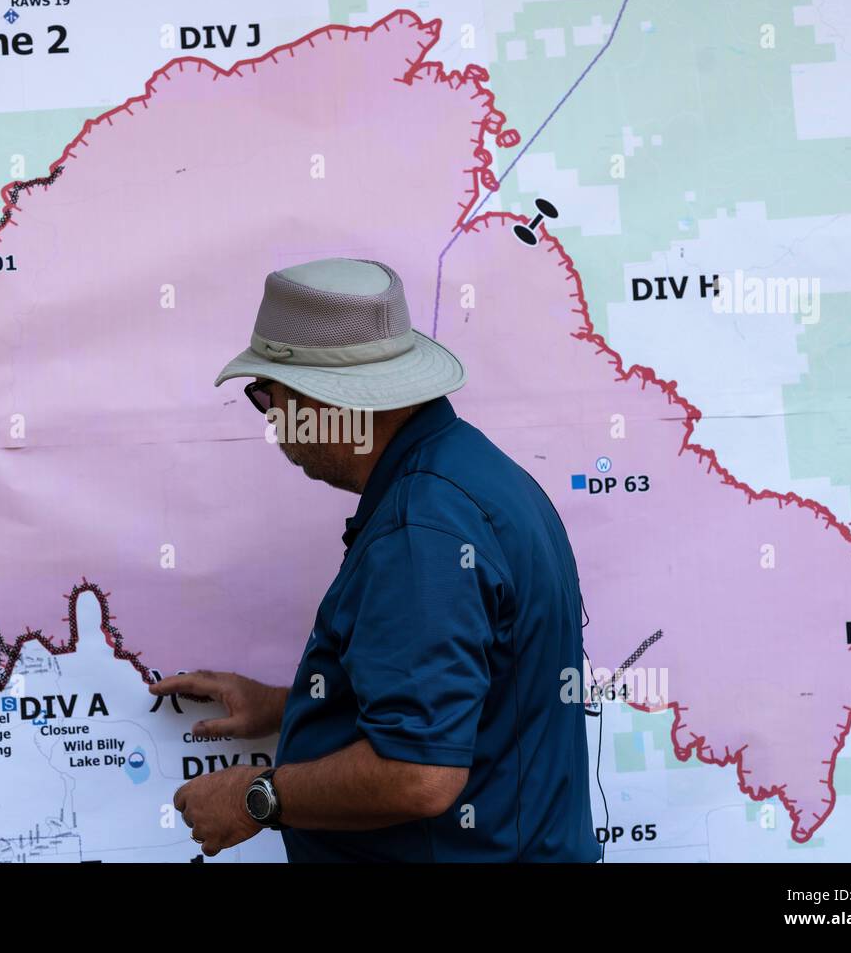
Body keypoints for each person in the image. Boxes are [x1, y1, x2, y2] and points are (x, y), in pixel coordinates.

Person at [150, 257, 599, 862]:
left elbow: (419, 775)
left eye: (268, 396)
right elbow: (467, 701)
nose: (271, 420)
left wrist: (253, 796)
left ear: (326, 400)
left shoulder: (423, 531)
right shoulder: (472, 477)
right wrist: (292, 705)